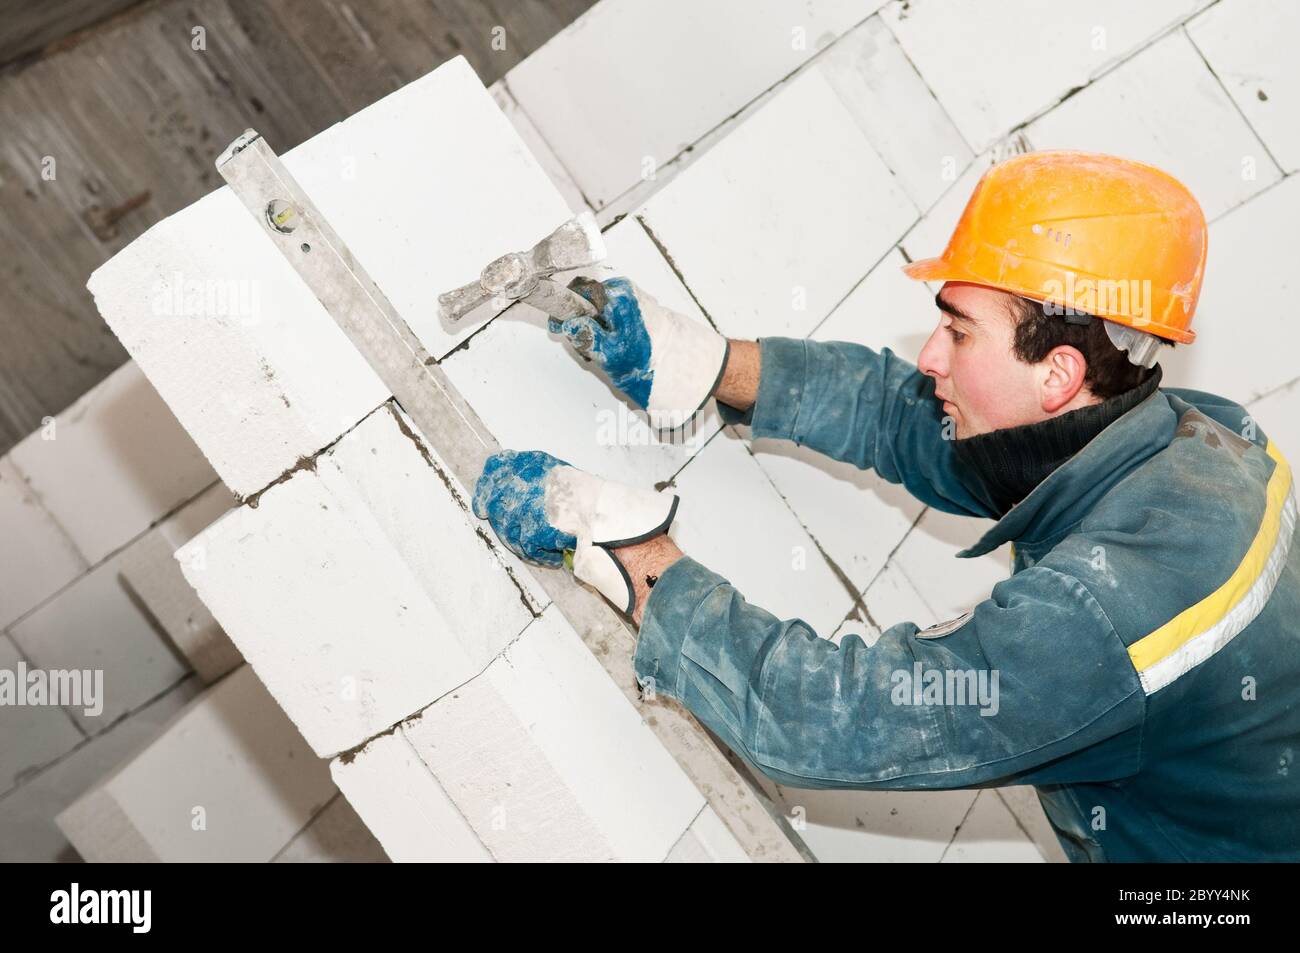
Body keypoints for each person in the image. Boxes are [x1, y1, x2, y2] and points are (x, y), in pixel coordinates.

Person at [472, 151, 1300, 862]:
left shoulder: (1108, 621)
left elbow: (836, 716)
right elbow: (916, 421)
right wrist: (706, 365)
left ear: (1058, 376)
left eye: (960, 333)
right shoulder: (1197, 436)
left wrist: (631, 554)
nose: (929, 355)